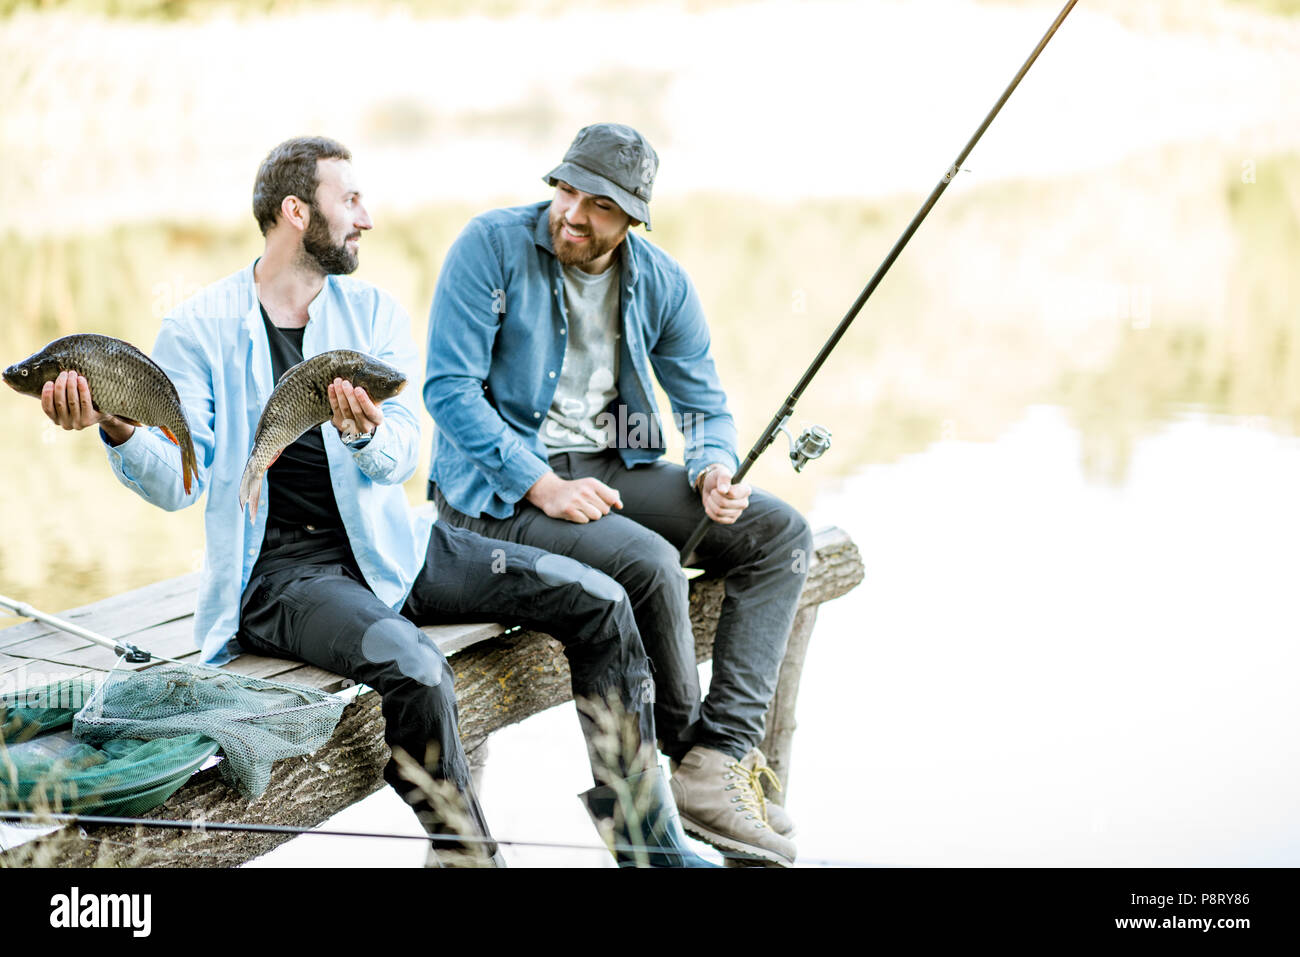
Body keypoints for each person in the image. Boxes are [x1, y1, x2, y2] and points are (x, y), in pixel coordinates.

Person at [36, 135, 711, 868]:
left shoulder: (374, 313)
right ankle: (470, 859)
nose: (368, 216)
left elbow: (403, 457)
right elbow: (180, 483)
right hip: (284, 575)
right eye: (349, 199)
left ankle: (650, 845)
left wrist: (366, 437)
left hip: (393, 543)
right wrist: (117, 424)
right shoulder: (197, 328)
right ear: (296, 211)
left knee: (603, 599)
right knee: (418, 668)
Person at [424, 123, 814, 867]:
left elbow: (703, 400)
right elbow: (448, 389)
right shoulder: (491, 247)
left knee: (781, 534)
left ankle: (716, 758)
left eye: (600, 204)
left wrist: (711, 465)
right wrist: (541, 483)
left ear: (632, 218)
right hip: (494, 491)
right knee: (647, 561)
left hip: (610, 465)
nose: (574, 212)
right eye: (567, 188)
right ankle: (670, 783)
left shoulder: (659, 280)